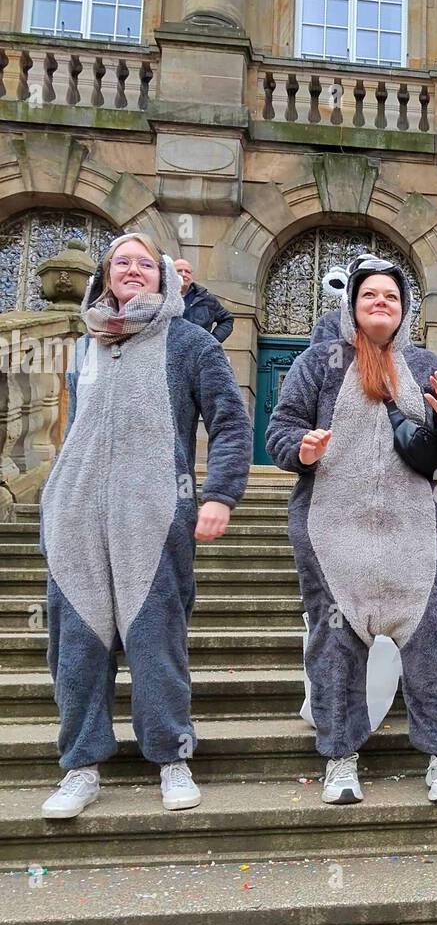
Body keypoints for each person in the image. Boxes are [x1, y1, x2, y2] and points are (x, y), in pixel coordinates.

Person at [40, 234, 252, 819]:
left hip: (155, 517)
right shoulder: (86, 348)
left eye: (145, 263)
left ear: (164, 277)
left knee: (157, 642)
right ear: (106, 276)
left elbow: (231, 424)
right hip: (75, 520)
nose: (133, 270)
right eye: (121, 262)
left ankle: (171, 757)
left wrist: (221, 496)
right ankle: (80, 768)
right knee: (76, 648)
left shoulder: (189, 343)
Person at [265, 254, 437, 806]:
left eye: (390, 296)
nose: (380, 303)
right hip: (331, 531)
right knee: (335, 644)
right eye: (369, 296)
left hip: (409, 532)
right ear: (353, 305)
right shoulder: (319, 362)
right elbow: (279, 431)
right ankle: (340, 756)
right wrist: (301, 448)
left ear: (404, 308)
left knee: (431, 643)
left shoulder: (426, 361)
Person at [174, 258, 235, 344]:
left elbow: (227, 319)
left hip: (196, 354)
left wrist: (212, 342)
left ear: (191, 276)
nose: (184, 274)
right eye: (179, 271)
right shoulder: (161, 296)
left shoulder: (205, 298)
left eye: (187, 271)